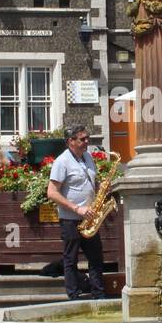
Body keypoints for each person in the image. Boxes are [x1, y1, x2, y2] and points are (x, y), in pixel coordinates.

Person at [46, 125, 106, 301]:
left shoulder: (88, 157)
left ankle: (98, 293)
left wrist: (101, 189)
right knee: (71, 260)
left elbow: (91, 183)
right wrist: (77, 208)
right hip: (71, 219)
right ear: (71, 141)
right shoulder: (62, 161)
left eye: (87, 138)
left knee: (96, 258)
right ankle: (73, 295)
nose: (87, 142)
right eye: (82, 139)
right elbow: (52, 192)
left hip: (90, 218)